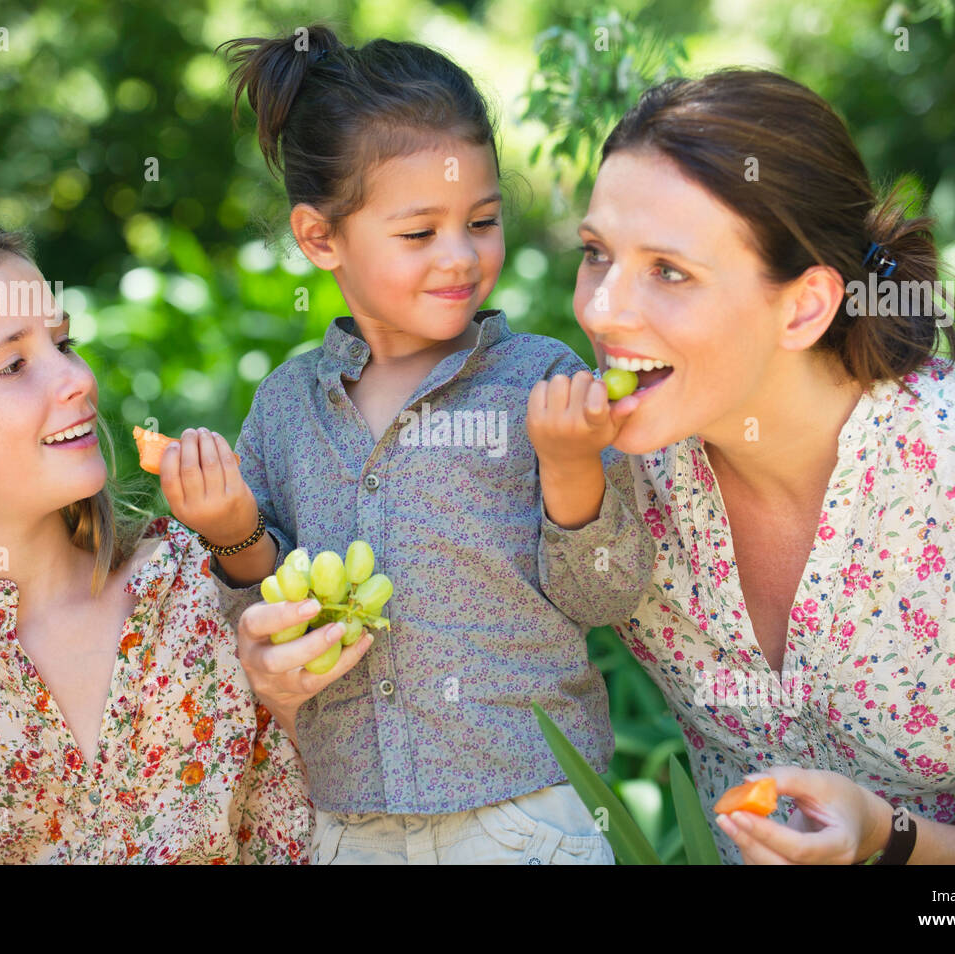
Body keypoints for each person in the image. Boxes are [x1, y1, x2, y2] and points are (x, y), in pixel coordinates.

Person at [529, 68, 955, 864]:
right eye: (596, 254)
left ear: (804, 306)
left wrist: (885, 840)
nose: (598, 309)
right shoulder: (613, 475)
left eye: (669, 271)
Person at [207, 26, 656, 864]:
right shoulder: (284, 410)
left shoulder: (541, 382)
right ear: (320, 238)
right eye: (419, 234)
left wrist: (568, 469)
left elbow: (609, 598)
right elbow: (260, 620)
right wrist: (233, 529)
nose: (460, 256)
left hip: (530, 812)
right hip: (351, 823)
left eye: (481, 221)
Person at [0, 223, 312, 864]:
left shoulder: (196, 589)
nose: (77, 380)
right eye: (13, 364)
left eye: (64, 343)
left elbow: (334, 828)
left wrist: (243, 547)